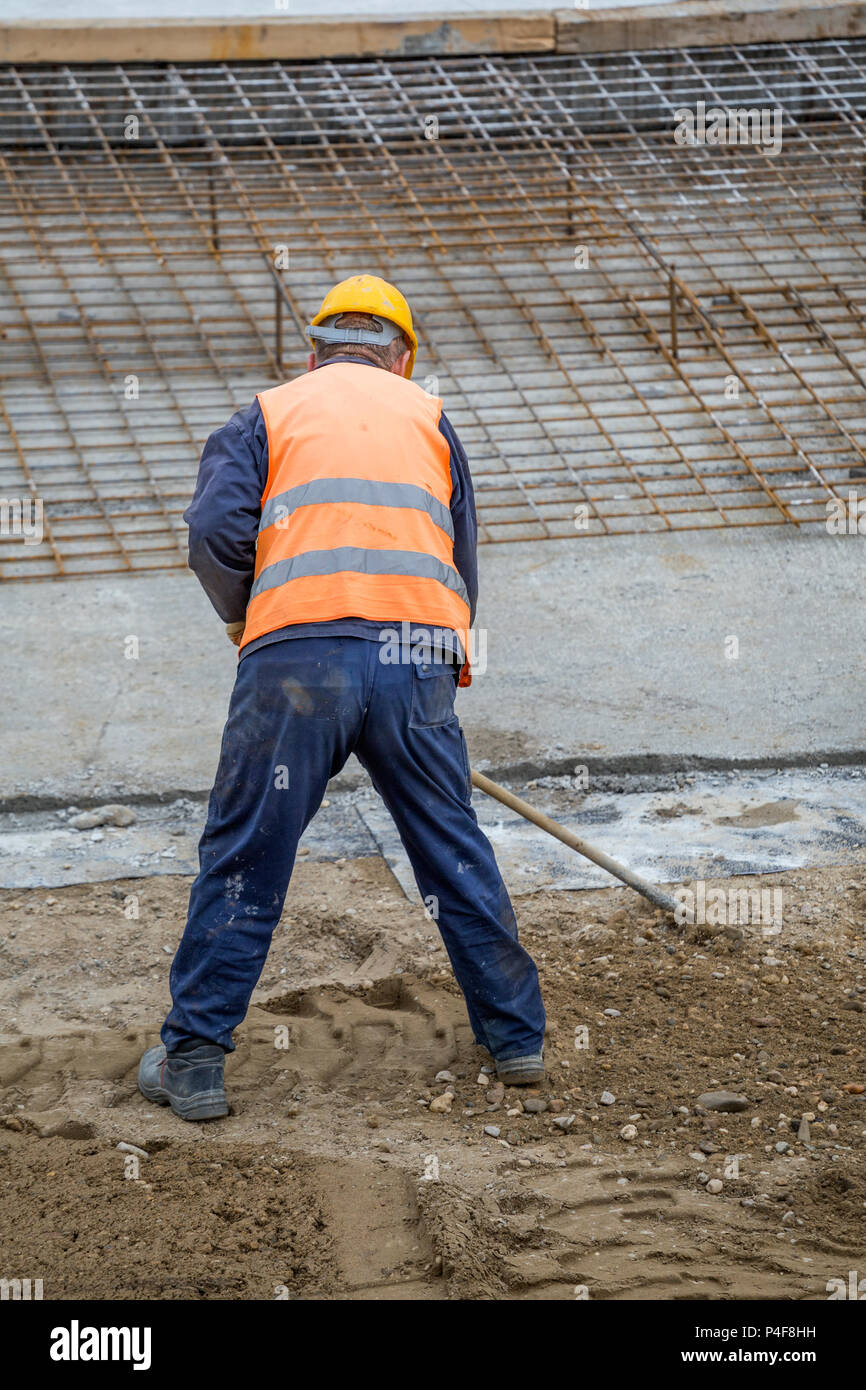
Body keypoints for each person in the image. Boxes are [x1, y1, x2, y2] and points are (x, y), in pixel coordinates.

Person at [138, 274, 545, 1121]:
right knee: (451, 849)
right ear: (401, 358)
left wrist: (249, 613)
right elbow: (459, 548)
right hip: (415, 657)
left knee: (248, 852)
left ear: (313, 351)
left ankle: (198, 1063)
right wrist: (441, 665)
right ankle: (517, 1040)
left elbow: (213, 532)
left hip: (298, 661)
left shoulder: (267, 413)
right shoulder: (430, 419)